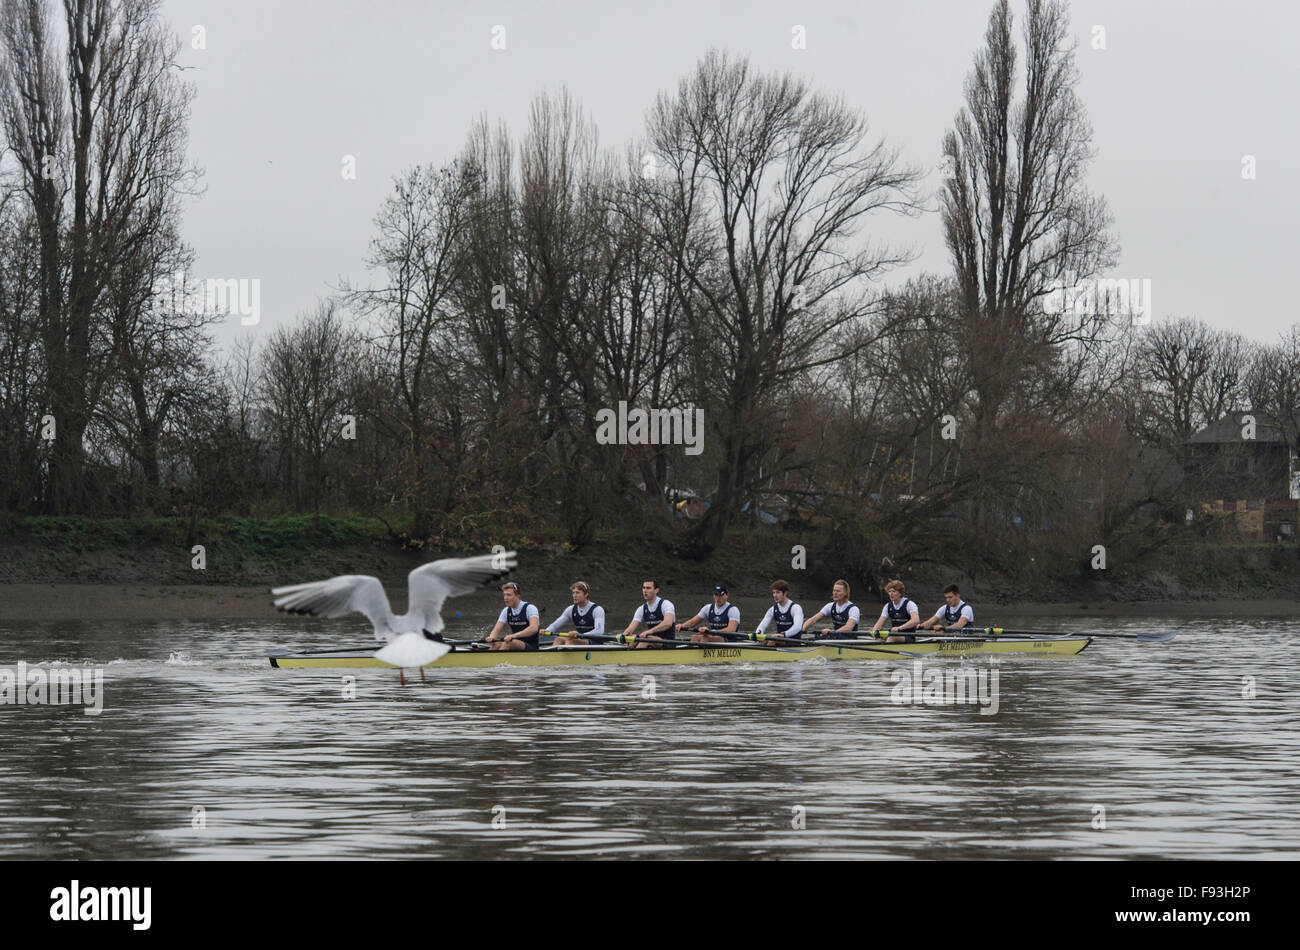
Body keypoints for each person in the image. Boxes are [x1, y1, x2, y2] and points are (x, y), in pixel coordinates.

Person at [546, 581, 605, 646]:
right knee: (558, 639)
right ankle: (555, 656)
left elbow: (599, 631)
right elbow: (555, 625)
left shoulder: (597, 610)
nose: (574, 595)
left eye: (578, 593)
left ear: (586, 594)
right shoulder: (571, 609)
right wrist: (546, 630)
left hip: (593, 640)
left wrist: (580, 635)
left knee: (571, 641)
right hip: (578, 638)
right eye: (573, 593)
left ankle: (567, 654)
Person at [676, 584, 740, 643]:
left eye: (721, 595)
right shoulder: (707, 608)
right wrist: (682, 626)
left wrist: (711, 632)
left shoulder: (733, 610)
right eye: (716, 595)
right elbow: (692, 622)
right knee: (695, 637)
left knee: (705, 638)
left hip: (728, 640)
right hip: (713, 636)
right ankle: (690, 654)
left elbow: (731, 629)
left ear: (727, 595)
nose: (718, 598)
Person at [623, 579, 677, 648]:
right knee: (634, 638)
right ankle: (630, 655)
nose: (645, 591)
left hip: (668, 643)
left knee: (647, 639)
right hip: (652, 641)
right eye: (644, 588)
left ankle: (635, 656)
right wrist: (624, 635)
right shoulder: (641, 609)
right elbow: (630, 628)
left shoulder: (666, 604)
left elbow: (668, 623)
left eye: (648, 588)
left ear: (656, 590)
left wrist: (650, 631)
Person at [485, 582, 540, 651]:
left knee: (508, 642)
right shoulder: (506, 610)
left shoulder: (530, 608)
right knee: (496, 644)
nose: (506, 598)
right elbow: (497, 629)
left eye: (509, 595)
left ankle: (498, 661)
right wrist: (491, 638)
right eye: (504, 595)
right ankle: (490, 660)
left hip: (531, 647)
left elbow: (534, 629)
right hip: (516, 644)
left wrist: (513, 636)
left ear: (518, 596)